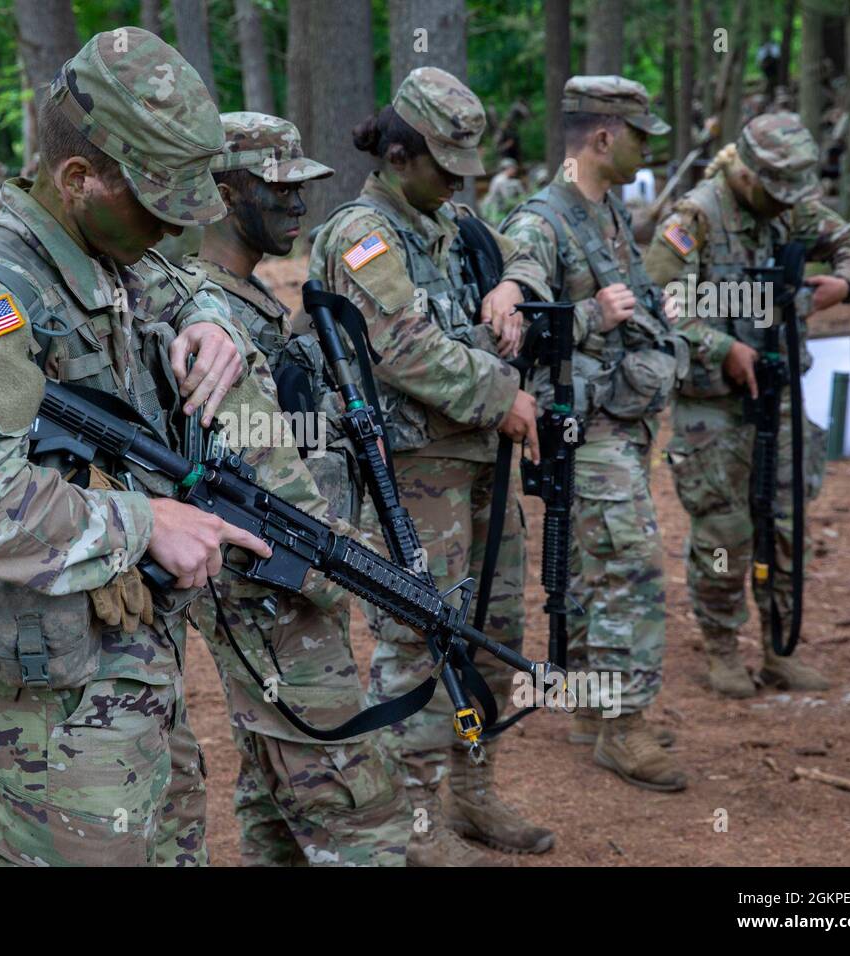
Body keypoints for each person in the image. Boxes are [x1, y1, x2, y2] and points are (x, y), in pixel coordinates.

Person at [0, 27, 270, 867]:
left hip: (134, 671)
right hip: (54, 716)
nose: (178, 232)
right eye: (161, 207)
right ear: (78, 178)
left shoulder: (108, 256)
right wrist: (146, 524)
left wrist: (208, 318)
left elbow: (180, 281)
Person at [310, 67, 552, 865]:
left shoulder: (450, 221)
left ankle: (473, 792)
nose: (457, 183)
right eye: (445, 166)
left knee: (493, 629)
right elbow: (402, 347)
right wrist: (504, 395)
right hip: (413, 475)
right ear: (399, 152)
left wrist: (513, 285)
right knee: (423, 640)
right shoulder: (363, 233)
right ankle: (411, 821)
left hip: (479, 463)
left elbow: (533, 253)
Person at [180, 111, 411, 865]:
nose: (296, 204)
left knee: (272, 790)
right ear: (220, 192)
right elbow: (272, 496)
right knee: (357, 806)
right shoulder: (211, 315)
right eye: (274, 186)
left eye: (300, 187)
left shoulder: (237, 298)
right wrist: (364, 569)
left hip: (282, 584)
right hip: (277, 586)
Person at [643, 112, 850, 697]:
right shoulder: (696, 216)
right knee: (724, 528)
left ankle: (779, 648)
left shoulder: (791, 207)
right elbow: (660, 298)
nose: (784, 204)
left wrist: (845, 281)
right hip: (713, 403)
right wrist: (721, 347)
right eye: (775, 191)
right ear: (745, 173)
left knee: (787, 519)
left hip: (780, 390)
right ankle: (723, 647)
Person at [503, 75, 688, 792]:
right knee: (630, 567)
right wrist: (592, 318)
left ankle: (593, 708)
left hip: (618, 419)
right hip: (583, 427)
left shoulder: (604, 209)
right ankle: (623, 725)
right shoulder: (541, 221)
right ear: (605, 137)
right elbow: (515, 326)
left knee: (596, 567)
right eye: (643, 135)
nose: (648, 148)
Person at [477, 157, 525, 225]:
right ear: (508, 168)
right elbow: (507, 199)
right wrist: (520, 203)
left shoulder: (505, 179)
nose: (515, 170)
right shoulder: (501, 180)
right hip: (495, 210)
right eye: (514, 168)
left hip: (500, 209)